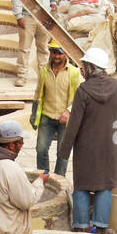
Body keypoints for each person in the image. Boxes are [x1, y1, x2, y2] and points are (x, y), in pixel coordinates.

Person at [59, 47, 117, 234]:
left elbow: (73, 125)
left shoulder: (83, 91)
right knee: (104, 186)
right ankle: (100, 226)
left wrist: (64, 152)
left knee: (82, 186)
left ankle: (81, 226)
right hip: (110, 148)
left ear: (91, 67)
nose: (82, 70)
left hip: (85, 150)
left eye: (84, 66)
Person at [10, 0, 57, 87]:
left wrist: (53, 1)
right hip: (28, 17)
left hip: (44, 17)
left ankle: (44, 76)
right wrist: (18, 15)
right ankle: (22, 76)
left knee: (43, 48)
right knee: (25, 48)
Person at [32, 39, 79, 177]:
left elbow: (80, 97)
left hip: (65, 121)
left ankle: (59, 180)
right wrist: (34, 113)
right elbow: (38, 92)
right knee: (41, 149)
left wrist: (69, 111)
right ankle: (43, 177)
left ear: (66, 54)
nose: (56, 56)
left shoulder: (74, 73)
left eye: (60, 53)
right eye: (54, 52)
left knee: (62, 153)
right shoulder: (44, 71)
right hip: (47, 117)